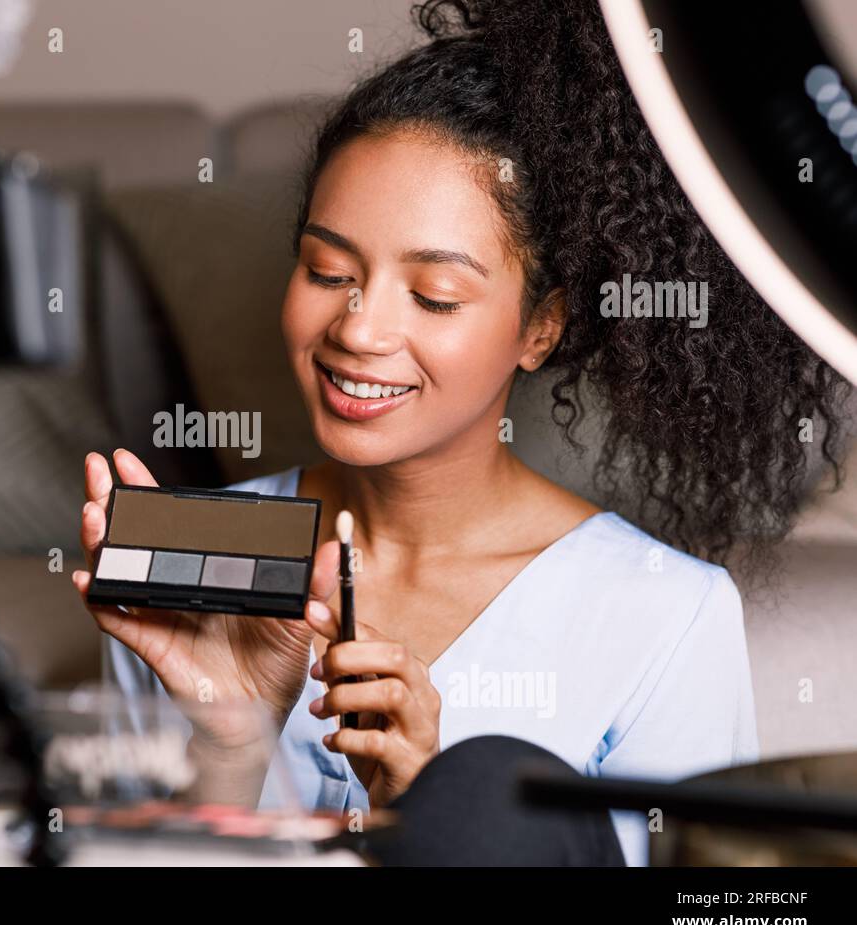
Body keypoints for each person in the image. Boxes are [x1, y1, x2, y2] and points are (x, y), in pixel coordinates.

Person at [71, 0, 849, 865]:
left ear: (539, 328)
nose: (359, 330)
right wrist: (228, 744)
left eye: (435, 296)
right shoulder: (187, 577)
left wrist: (432, 815)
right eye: (327, 270)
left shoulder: (666, 614)